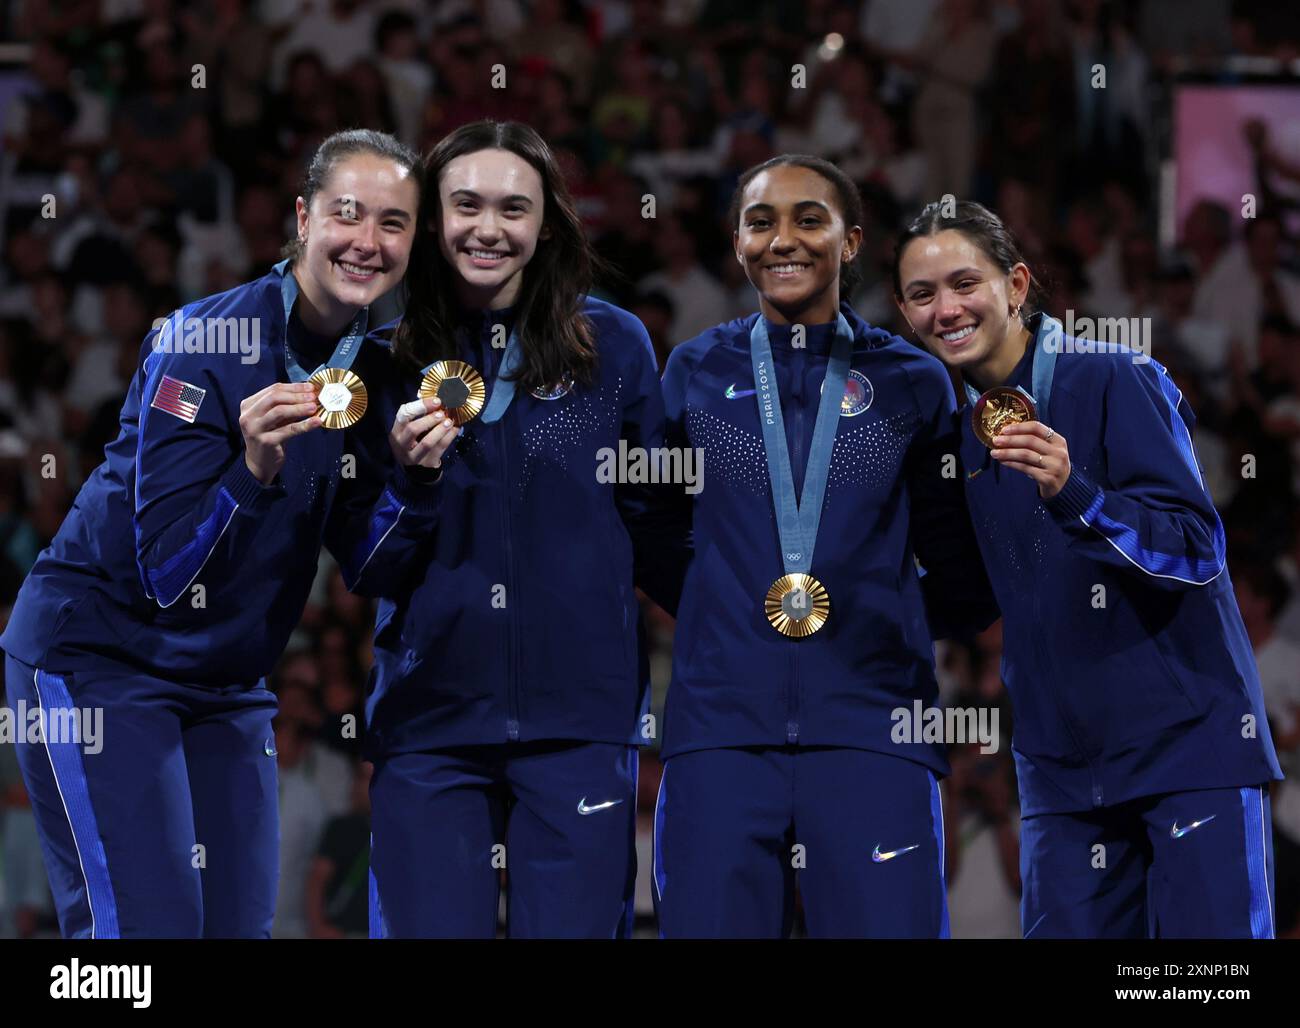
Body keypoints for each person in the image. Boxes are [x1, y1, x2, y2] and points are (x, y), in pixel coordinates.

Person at [0, 128, 456, 938]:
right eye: (348, 214)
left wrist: (416, 482)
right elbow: (169, 575)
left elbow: (370, 568)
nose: (368, 242)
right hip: (99, 660)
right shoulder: (200, 344)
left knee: (237, 929)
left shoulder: (378, 371)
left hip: (227, 684)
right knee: (139, 936)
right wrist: (250, 469)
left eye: (394, 223)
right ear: (303, 217)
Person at [893, 199, 1282, 938]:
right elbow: (973, 599)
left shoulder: (1112, 374)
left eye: (964, 283)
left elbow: (1196, 548)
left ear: (1015, 284)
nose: (946, 309)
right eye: (922, 294)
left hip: (1187, 749)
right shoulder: (965, 433)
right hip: (1061, 772)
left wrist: (1077, 492)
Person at [653, 154, 994, 938]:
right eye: (761, 221)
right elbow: (651, 527)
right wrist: (722, 611)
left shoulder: (914, 380)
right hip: (722, 732)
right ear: (737, 242)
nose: (784, 240)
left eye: (810, 219)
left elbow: (959, 557)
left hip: (875, 727)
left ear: (850, 242)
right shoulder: (694, 373)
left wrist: (885, 623)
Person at [360, 120, 670, 939]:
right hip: (429, 720)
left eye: (513, 208)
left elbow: (659, 527)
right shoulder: (379, 362)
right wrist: (412, 485)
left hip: (580, 719)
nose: (488, 228)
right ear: (431, 220)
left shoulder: (614, 345)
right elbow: (366, 565)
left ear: (546, 224)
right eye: (465, 205)